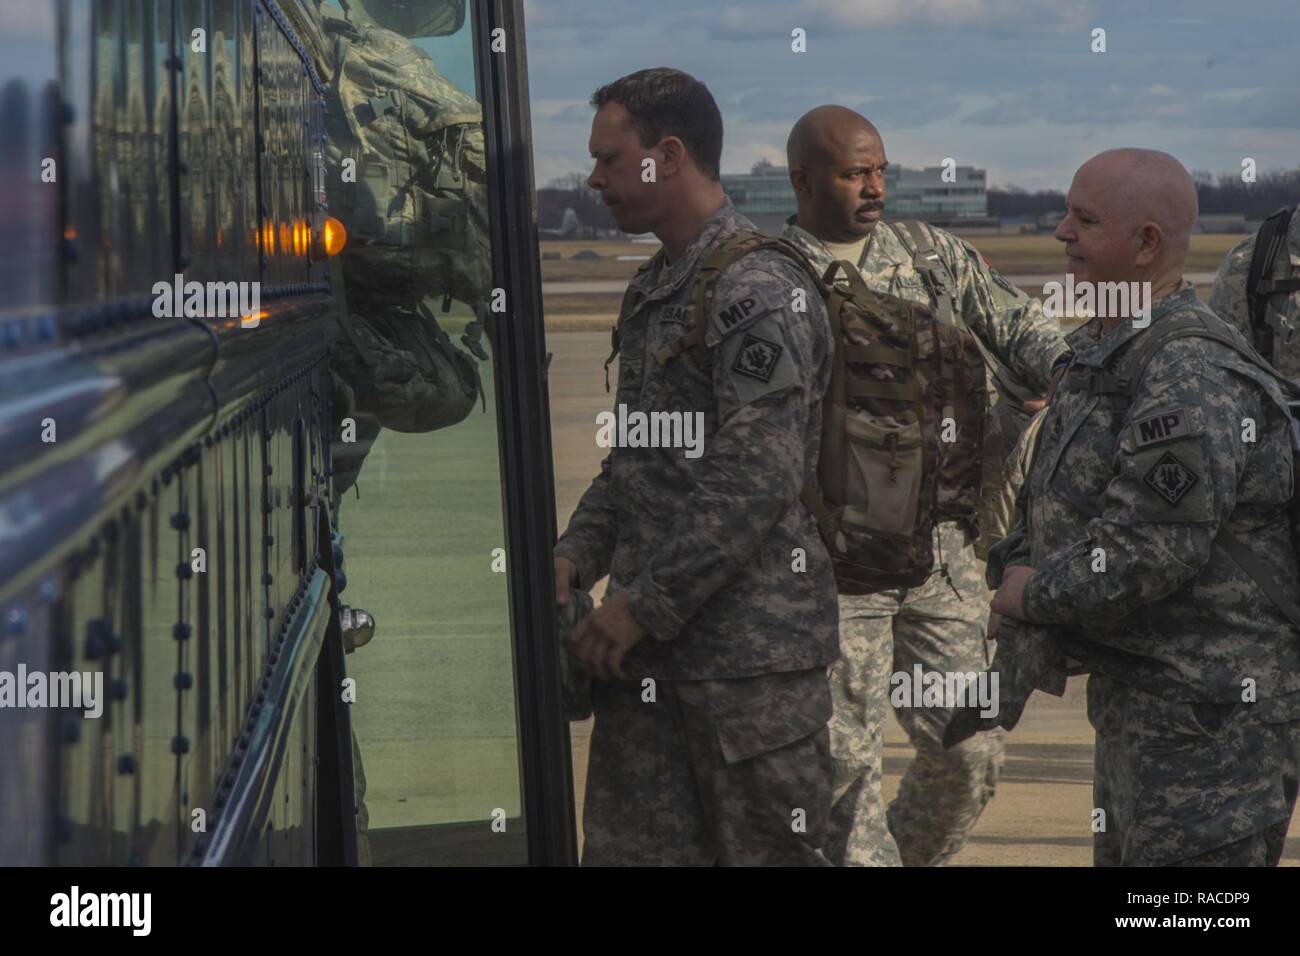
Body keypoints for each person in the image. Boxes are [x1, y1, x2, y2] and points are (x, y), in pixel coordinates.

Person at [554, 68, 839, 865]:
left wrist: (642, 604)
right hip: (646, 662)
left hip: (748, 673)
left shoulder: (756, 288)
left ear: (667, 156)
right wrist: (575, 555)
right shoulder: (654, 289)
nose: (595, 177)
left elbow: (756, 478)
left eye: (610, 159)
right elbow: (633, 465)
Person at [988, 148, 1300, 866]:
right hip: (1146, 703)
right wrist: (1015, 565)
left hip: (1211, 726)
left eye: (1085, 219)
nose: (1061, 233)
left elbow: (1148, 550)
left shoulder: (1186, 370)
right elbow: (1051, 498)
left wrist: (1033, 594)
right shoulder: (1106, 350)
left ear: (1147, 242)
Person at [778, 105, 1070, 866]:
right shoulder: (774, 271)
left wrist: (1083, 378)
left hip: (942, 555)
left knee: (970, 750)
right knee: (844, 774)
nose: (874, 187)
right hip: (837, 568)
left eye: (880, 170)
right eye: (853, 173)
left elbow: (1018, 326)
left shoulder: (930, 252)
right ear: (802, 179)